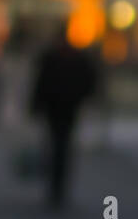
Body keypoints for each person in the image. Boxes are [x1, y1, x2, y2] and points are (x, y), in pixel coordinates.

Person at [28, 26, 99, 209]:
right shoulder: (71, 58)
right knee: (61, 145)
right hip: (64, 108)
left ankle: (56, 185)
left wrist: (35, 105)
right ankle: (57, 185)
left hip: (60, 108)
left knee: (59, 145)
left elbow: (40, 83)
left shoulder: (55, 58)